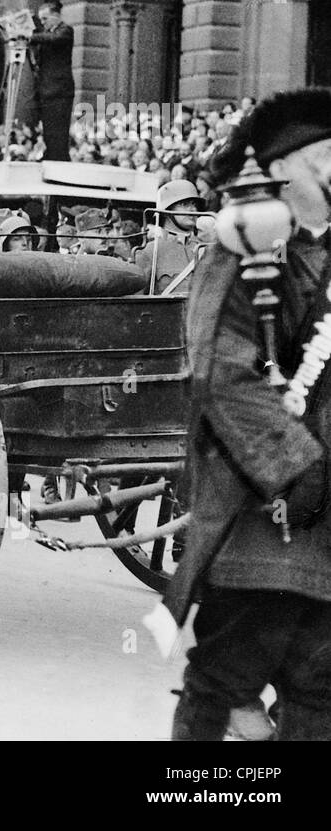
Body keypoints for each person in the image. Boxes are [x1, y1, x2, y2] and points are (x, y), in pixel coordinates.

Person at [157, 89, 331, 741]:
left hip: (324, 517)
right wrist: (299, 466)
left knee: (318, 687)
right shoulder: (244, 248)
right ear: (288, 168)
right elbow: (221, 373)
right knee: (226, 677)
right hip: (261, 509)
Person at [135, 180, 204, 295]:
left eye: (194, 204)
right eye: (184, 204)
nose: (193, 210)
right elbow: (137, 301)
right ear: (167, 211)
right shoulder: (151, 251)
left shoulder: (204, 247)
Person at [29, 1, 74, 162]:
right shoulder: (46, 34)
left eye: (45, 18)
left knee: (58, 132)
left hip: (59, 90)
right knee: (49, 131)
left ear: (56, 16)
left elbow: (54, 39)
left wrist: (30, 36)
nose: (43, 22)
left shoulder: (65, 30)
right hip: (46, 89)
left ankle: (59, 161)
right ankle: (52, 159)